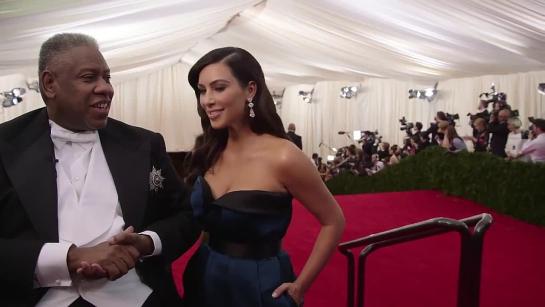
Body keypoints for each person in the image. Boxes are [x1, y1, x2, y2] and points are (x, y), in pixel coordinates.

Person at [0, 33, 199, 307]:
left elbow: (185, 215)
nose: (106, 88)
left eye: (107, 77)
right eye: (89, 77)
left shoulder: (143, 143)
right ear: (50, 84)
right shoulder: (6, 145)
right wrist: (69, 258)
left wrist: (145, 242)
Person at [182, 47, 345, 307]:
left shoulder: (284, 156)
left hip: (256, 286)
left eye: (219, 88)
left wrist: (301, 286)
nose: (207, 100)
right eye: (202, 90)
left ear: (250, 90)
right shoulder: (209, 150)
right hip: (204, 275)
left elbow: (333, 220)